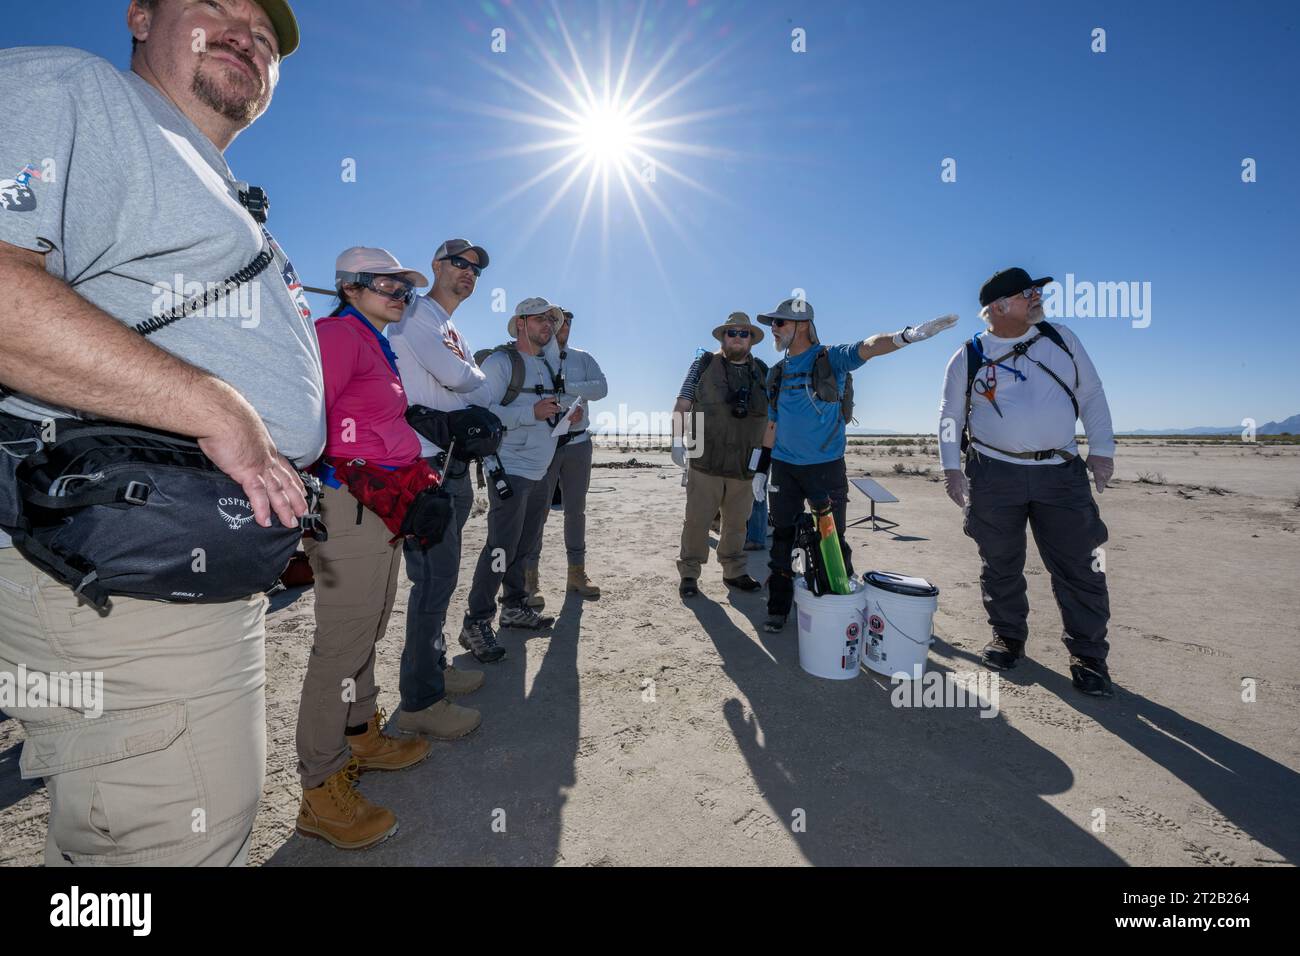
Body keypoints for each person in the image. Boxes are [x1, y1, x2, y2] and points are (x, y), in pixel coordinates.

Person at [0, 0, 320, 865]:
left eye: (264, 34)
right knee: (163, 844)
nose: (244, 35)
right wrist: (218, 408)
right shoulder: (74, 91)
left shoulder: (212, 184)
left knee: (164, 830)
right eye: (214, 7)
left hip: (184, 561)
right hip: (112, 566)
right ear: (141, 16)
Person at [295, 247, 455, 850]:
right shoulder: (337, 334)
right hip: (347, 506)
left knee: (370, 625)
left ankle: (361, 732)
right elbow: (306, 420)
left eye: (405, 287)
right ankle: (320, 785)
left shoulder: (375, 340)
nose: (400, 293)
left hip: (382, 506)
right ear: (351, 285)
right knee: (341, 642)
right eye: (387, 283)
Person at [939, 267, 1116, 697]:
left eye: (1038, 291)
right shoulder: (969, 354)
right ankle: (1008, 638)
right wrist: (950, 468)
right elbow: (950, 415)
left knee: (1079, 565)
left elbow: (1091, 393)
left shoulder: (1061, 339)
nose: (1037, 297)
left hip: (1061, 473)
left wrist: (1102, 450)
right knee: (1000, 563)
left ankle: (1089, 657)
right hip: (994, 473)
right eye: (1027, 293)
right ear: (998, 307)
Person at [757, 298, 957, 632]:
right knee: (782, 540)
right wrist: (760, 467)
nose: (773, 330)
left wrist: (906, 336)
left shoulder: (829, 358)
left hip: (825, 468)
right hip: (784, 468)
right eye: (772, 324)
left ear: (802, 325)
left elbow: (867, 347)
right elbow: (773, 423)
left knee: (832, 541)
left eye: (779, 324)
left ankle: (839, 607)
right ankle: (778, 609)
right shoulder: (776, 373)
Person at [386, 238, 499, 735]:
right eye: (458, 263)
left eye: (475, 267)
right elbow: (464, 378)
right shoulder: (416, 315)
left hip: (451, 463)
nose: (468, 272)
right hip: (423, 465)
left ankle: (432, 670)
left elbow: (476, 385)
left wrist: (470, 382)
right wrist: (470, 380)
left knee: (443, 578)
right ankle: (420, 702)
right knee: (431, 581)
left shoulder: (447, 324)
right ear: (435, 265)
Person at [460, 299, 580, 658]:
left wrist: (564, 419)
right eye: (541, 319)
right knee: (500, 547)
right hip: (509, 468)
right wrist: (531, 412)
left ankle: (514, 607)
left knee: (525, 545)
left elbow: (544, 412)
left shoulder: (545, 364)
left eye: (552, 320)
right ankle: (476, 621)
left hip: (541, 470)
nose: (549, 325)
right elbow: (480, 411)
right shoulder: (500, 363)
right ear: (521, 323)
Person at [671, 312, 770, 598]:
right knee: (697, 521)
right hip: (705, 461)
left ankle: (734, 571)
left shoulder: (762, 372)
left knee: (738, 523)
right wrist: (677, 441)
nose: (737, 338)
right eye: (732, 333)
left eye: (744, 333)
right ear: (722, 336)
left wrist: (764, 464)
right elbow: (681, 405)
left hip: (745, 464)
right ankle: (689, 573)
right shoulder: (703, 364)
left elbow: (772, 419)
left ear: (751, 339)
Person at [522, 306, 607, 606]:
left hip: (578, 444)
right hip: (544, 444)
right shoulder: (533, 357)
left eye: (569, 320)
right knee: (538, 512)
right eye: (558, 319)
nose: (563, 325)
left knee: (576, 510)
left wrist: (568, 388)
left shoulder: (583, 358)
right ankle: (529, 580)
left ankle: (576, 573)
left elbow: (601, 388)